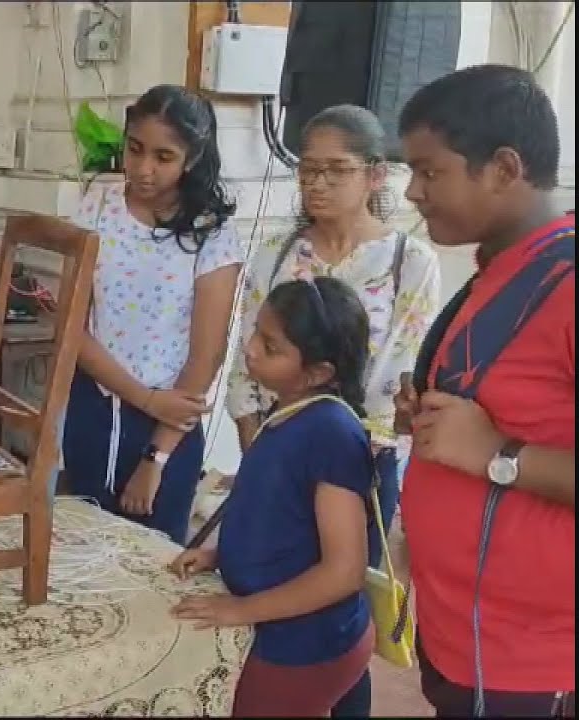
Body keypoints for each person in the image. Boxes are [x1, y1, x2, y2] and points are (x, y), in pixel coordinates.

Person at [225, 104, 441, 718]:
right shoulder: (277, 253)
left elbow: (399, 368)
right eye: (308, 169)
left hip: (358, 455)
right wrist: (259, 447)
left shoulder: (408, 262)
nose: (317, 184)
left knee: (340, 605)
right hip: (278, 447)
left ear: (374, 175)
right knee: (276, 586)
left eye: (335, 170)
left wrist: (340, 445)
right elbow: (247, 357)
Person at [395, 64, 575, 718]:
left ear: (503, 168)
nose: (412, 191)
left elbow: (493, 443)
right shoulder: (500, 268)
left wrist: (499, 454)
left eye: (430, 171)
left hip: (533, 660)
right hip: (463, 636)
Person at [171, 276, 377, 717]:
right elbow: (280, 517)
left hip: (303, 646)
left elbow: (344, 572)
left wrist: (241, 609)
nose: (249, 349)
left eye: (270, 346)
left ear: (318, 373)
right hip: (279, 628)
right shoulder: (288, 409)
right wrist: (220, 555)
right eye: (255, 333)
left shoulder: (330, 432)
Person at [61, 85, 242, 545]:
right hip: (94, 407)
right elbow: (72, 327)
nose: (143, 169)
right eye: (135, 149)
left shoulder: (211, 233)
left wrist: (155, 458)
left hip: (168, 426)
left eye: (163, 157)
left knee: (151, 563)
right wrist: (143, 397)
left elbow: (206, 356)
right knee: (82, 552)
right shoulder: (97, 205)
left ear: (192, 158)